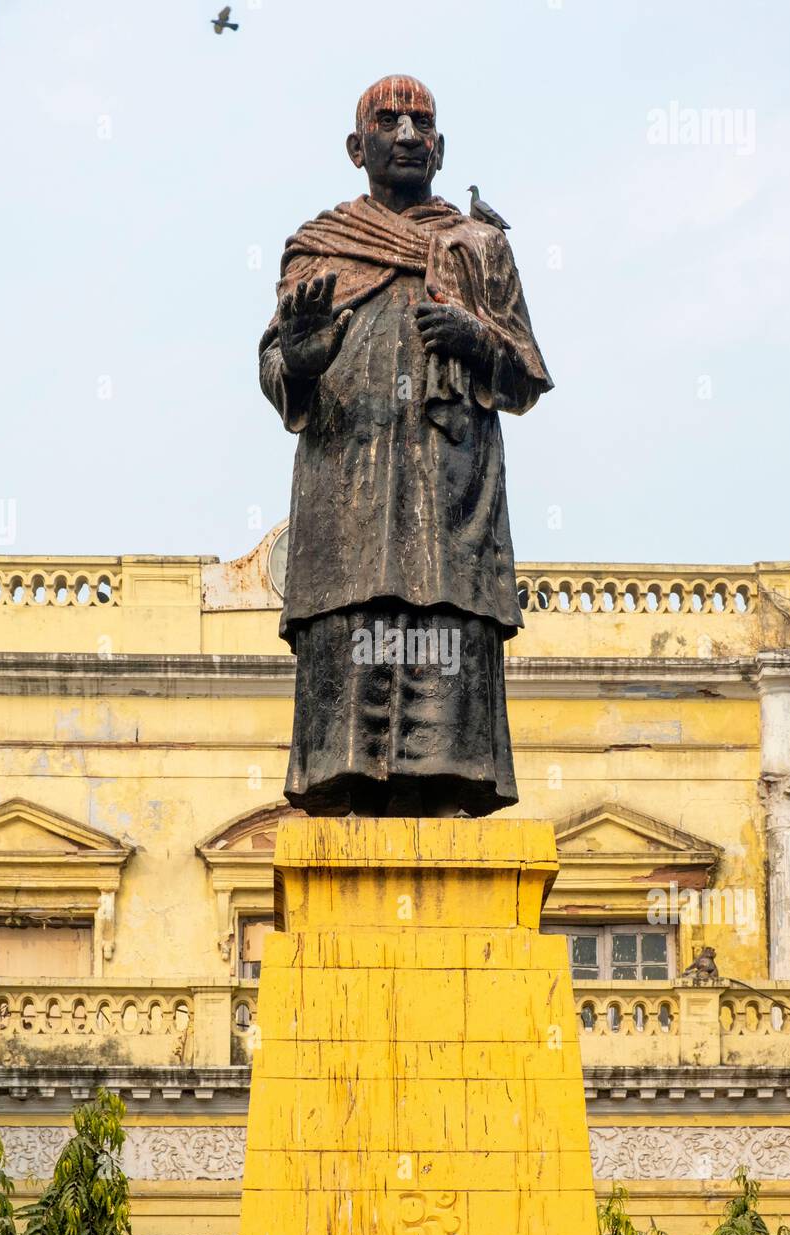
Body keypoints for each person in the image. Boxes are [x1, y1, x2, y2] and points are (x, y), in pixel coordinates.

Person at [260, 75, 553, 817]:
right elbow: (273, 371)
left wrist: (476, 338)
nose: (407, 134)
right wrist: (300, 353)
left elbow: (526, 376)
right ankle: (348, 782)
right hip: (346, 486)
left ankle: (448, 786)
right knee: (353, 625)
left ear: (442, 148)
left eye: (421, 123)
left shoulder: (480, 247)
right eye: (387, 122)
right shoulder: (318, 249)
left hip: (451, 493)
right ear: (358, 147)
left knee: (446, 623)